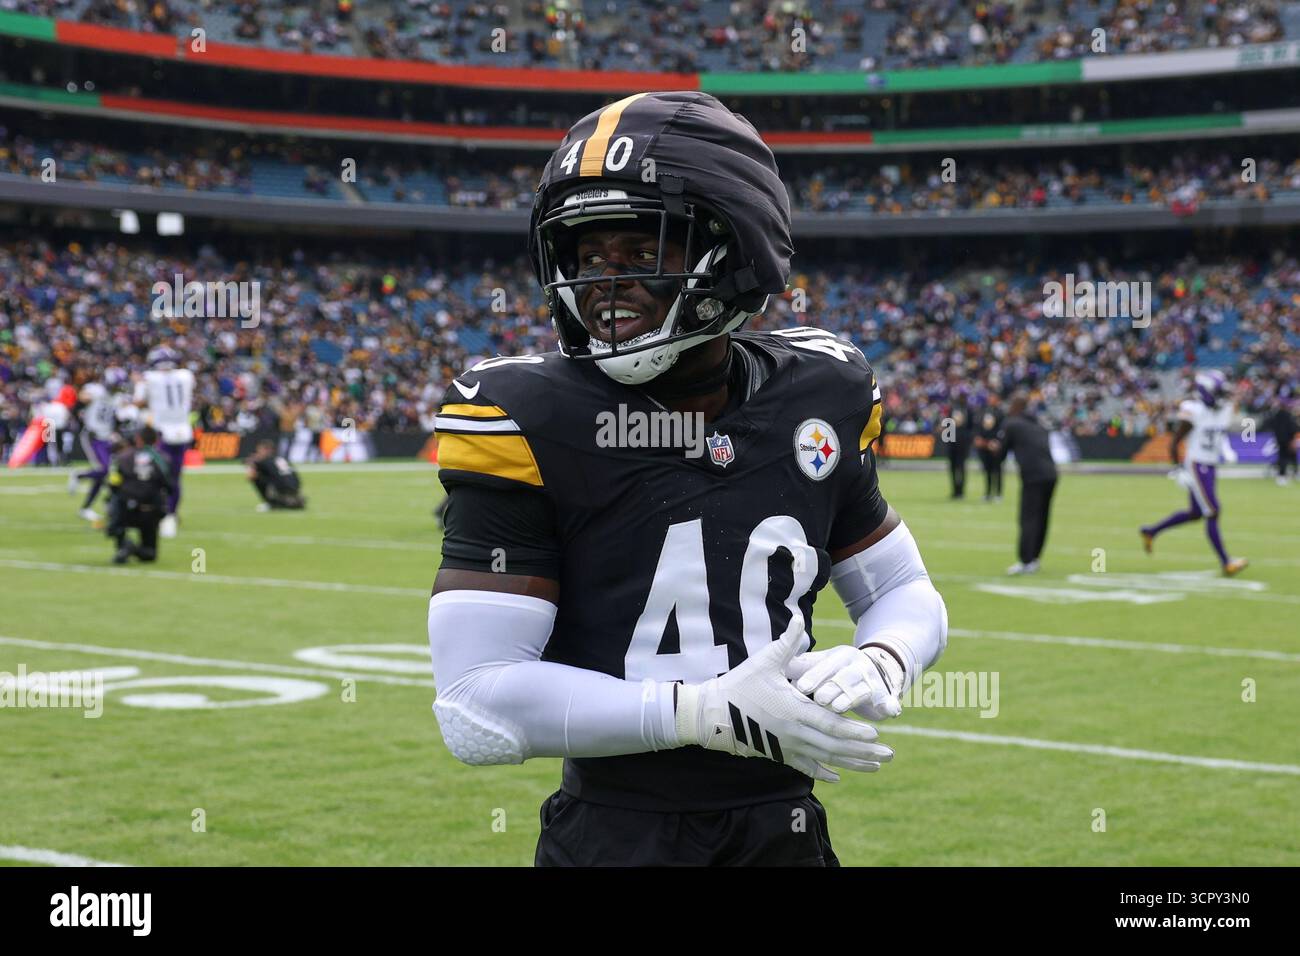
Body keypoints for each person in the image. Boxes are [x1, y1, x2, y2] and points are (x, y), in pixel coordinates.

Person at [426, 91, 948, 867]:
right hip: (614, 839)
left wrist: (882, 658)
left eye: (641, 254)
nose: (605, 284)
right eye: (586, 256)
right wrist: (698, 711)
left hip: (786, 832)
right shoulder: (525, 415)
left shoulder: (820, 390)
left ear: (734, 248)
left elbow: (902, 589)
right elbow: (476, 705)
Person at [1140, 371, 1248, 575]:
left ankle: (1151, 531)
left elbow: (1219, 433)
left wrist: (1226, 449)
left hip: (1210, 465)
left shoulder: (1222, 409)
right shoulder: (1194, 410)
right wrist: (1177, 469)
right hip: (1197, 465)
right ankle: (1226, 562)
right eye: (1218, 392)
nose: (1222, 396)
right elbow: (1175, 442)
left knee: (1196, 513)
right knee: (1213, 511)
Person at [991, 393, 1058, 575]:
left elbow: (1001, 453)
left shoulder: (1011, 423)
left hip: (1033, 475)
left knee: (1028, 518)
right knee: (1042, 517)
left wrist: (992, 449)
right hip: (1051, 473)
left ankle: (1025, 560)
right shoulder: (1037, 422)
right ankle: (1034, 558)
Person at [135, 347, 194, 538]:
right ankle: (171, 513)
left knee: (156, 476)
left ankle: (161, 514)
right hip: (183, 431)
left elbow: (138, 400)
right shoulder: (186, 375)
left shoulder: (149, 378)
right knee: (175, 478)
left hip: (163, 433)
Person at [105, 425, 175, 564]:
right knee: (149, 555)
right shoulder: (163, 458)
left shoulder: (122, 457)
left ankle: (125, 545)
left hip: (125, 509)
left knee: (113, 503)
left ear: (138, 439)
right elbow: (170, 485)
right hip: (151, 510)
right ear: (156, 441)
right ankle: (135, 549)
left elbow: (113, 483)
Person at [68, 380, 118, 522]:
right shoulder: (96, 390)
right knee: (104, 469)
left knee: (103, 476)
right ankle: (79, 475)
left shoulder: (116, 397)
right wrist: (89, 398)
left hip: (107, 438)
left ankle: (86, 508)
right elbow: (82, 397)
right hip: (93, 436)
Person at [246, 440, 306, 510]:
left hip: (280, 490)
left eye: (259, 450)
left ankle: (271, 503)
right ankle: (294, 500)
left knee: (257, 478)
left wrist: (251, 464)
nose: (258, 453)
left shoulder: (264, 461)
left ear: (266, 450)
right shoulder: (282, 459)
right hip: (295, 490)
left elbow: (251, 476)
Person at [973, 393, 1004, 502]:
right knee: (987, 470)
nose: (991, 400)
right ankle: (988, 492)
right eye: (990, 397)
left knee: (997, 469)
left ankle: (998, 493)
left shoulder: (1000, 412)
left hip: (995, 445)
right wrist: (979, 438)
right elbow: (978, 426)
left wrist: (997, 442)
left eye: (993, 398)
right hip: (984, 445)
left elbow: (1002, 428)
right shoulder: (983, 411)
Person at [942, 396, 973, 498]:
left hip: (963, 444)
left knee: (961, 467)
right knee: (953, 468)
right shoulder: (953, 409)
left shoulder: (968, 410)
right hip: (952, 443)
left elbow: (971, 427)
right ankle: (955, 490)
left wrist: (968, 440)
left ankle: (961, 491)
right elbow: (948, 425)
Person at [1265, 398, 1297, 486]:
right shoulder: (1288, 415)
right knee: (1285, 458)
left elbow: (1271, 425)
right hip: (1288, 440)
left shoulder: (1276, 415)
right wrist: (1293, 440)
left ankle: (1282, 475)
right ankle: (1283, 475)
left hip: (1279, 440)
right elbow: (1293, 428)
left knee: (1282, 457)